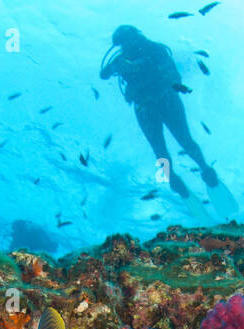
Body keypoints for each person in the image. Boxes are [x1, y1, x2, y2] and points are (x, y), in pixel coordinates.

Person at [100, 25, 235, 217]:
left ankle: (206, 170)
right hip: (145, 108)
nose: (127, 46)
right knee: (161, 153)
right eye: (123, 44)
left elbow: (173, 75)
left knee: (185, 141)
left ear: (137, 37)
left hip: (166, 100)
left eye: (128, 41)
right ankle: (174, 183)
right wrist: (119, 65)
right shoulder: (121, 60)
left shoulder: (155, 49)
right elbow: (103, 74)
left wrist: (141, 64)